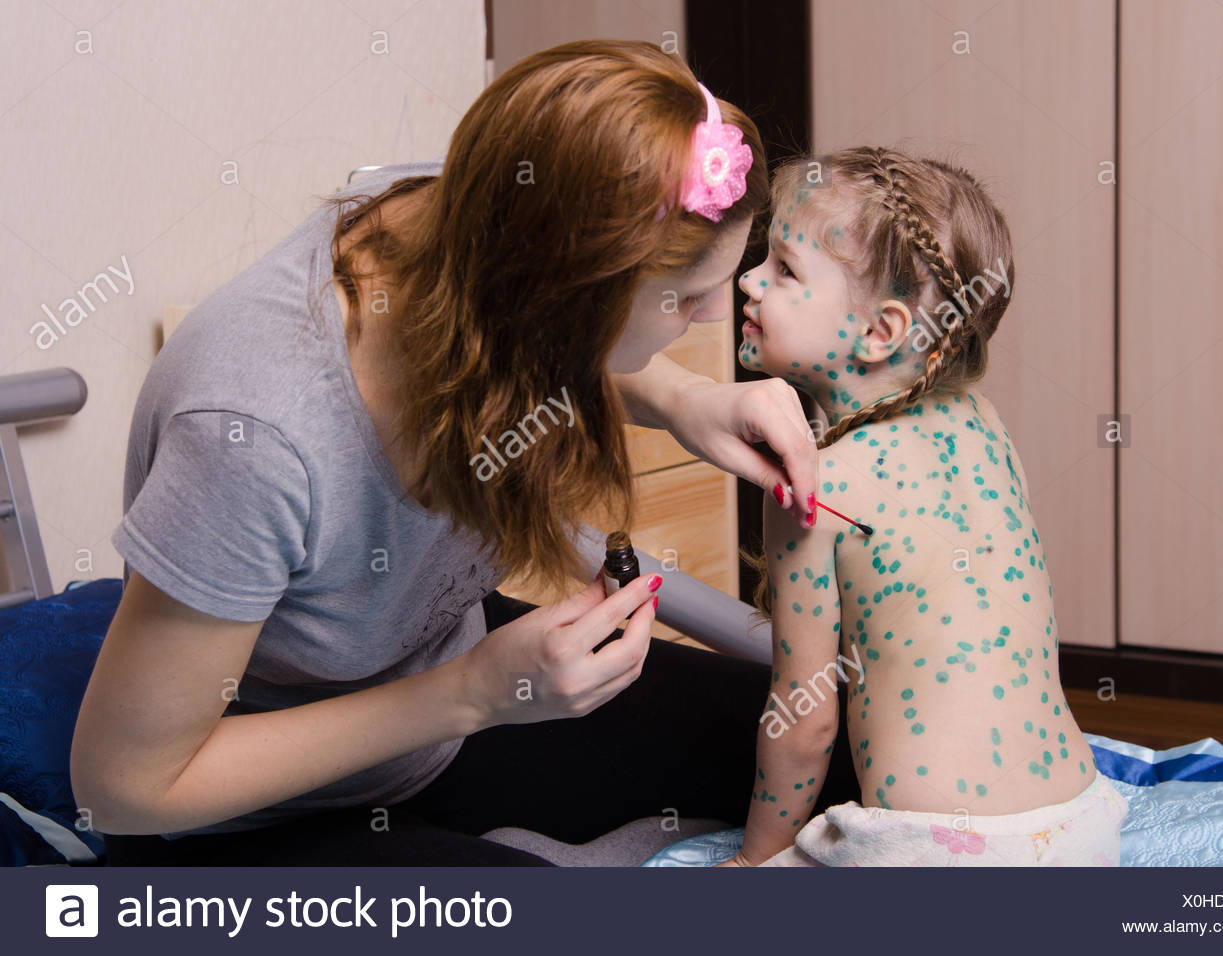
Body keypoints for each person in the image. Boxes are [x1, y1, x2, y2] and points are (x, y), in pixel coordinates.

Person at [69, 39, 864, 866]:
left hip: (446, 709)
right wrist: (474, 694)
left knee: (845, 745)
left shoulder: (475, 215)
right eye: (689, 297)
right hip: (262, 811)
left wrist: (681, 400)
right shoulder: (253, 436)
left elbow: (526, 349)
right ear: (566, 301)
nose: (711, 320)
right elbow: (120, 787)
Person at [718, 146, 1128, 866]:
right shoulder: (985, 424)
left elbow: (804, 721)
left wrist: (757, 860)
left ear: (881, 332)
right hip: (1084, 825)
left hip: (938, 854)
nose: (749, 280)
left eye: (784, 268)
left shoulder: (816, 485)